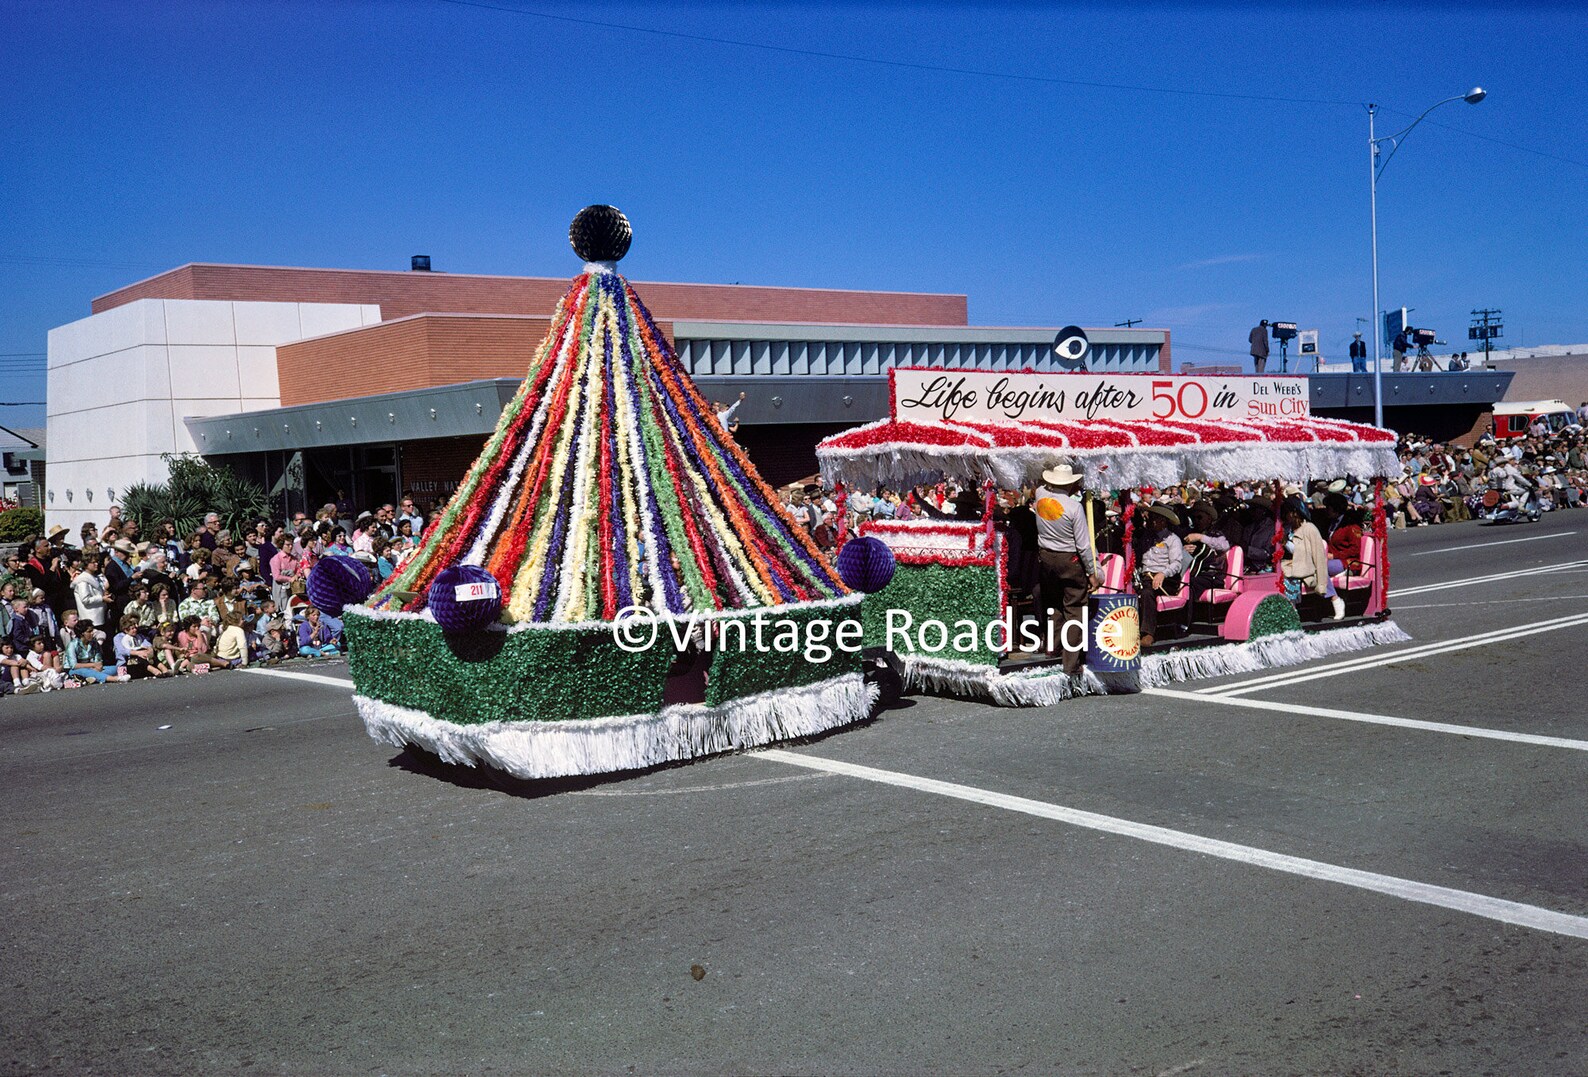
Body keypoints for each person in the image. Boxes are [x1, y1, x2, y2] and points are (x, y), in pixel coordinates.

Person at [1025, 463, 1102, 674]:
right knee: (1075, 609)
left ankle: (1053, 646)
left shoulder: (1040, 495)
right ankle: (1071, 664)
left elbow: (1039, 484)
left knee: (1057, 603)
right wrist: (1092, 573)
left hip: (1046, 557)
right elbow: (1084, 545)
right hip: (1068, 559)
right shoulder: (1074, 507)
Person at [1279, 498, 1344, 620]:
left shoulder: (1309, 528)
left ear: (1294, 513)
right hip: (1291, 564)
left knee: (1290, 577)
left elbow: (1318, 556)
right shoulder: (1287, 528)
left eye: (1287, 513)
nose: (1285, 516)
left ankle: (1335, 601)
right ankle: (1288, 610)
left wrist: (1285, 542)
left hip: (1307, 565)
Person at [1135, 503, 1184, 648]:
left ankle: (1148, 633)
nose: (1149, 521)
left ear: (1162, 521)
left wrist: (1163, 573)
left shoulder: (1172, 539)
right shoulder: (1145, 537)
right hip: (1145, 576)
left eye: (1154, 518)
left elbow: (1176, 563)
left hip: (1165, 579)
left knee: (1147, 593)